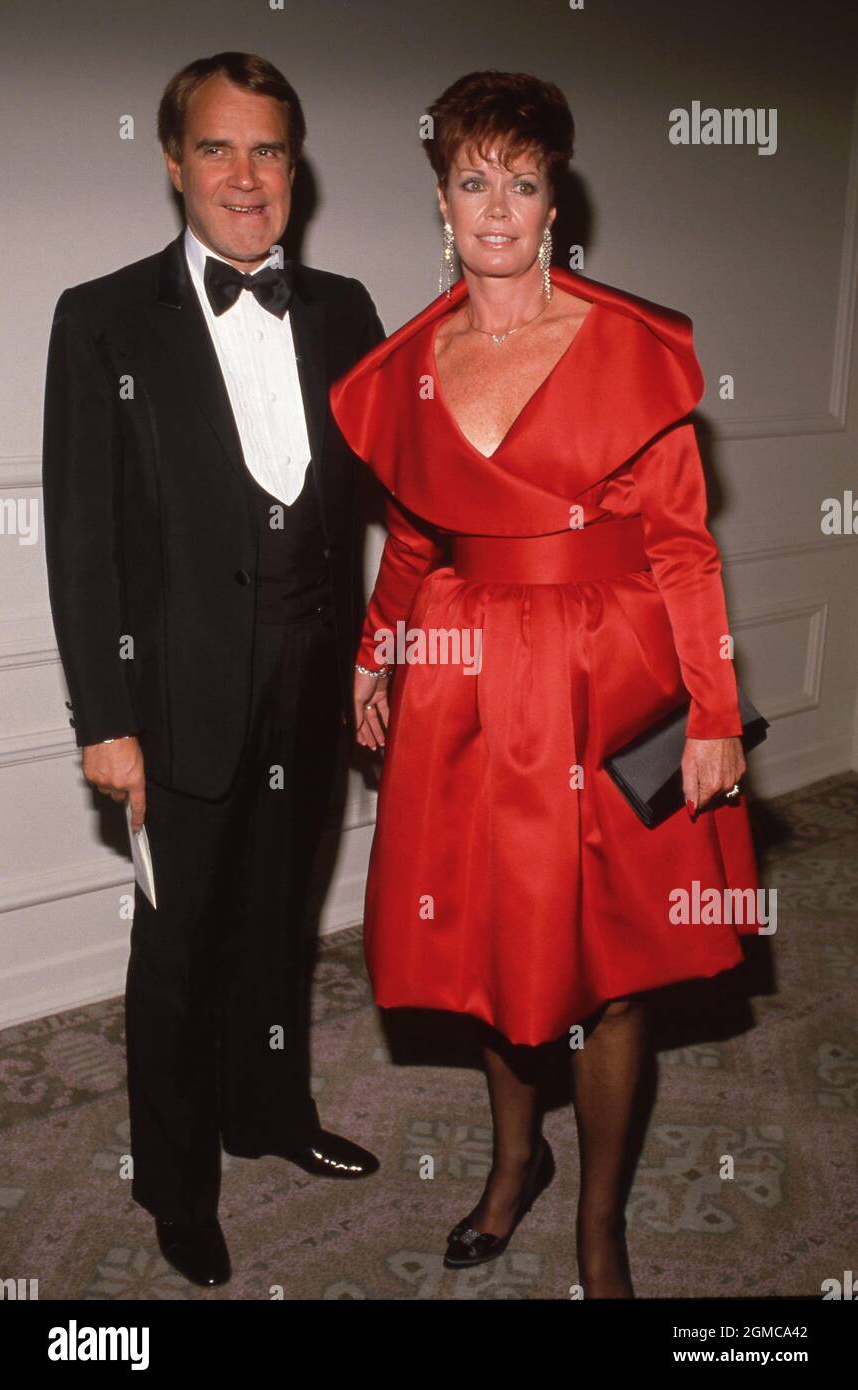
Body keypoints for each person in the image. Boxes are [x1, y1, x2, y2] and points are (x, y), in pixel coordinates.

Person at [330, 69, 760, 1298]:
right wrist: (375, 650)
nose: (495, 207)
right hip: (464, 687)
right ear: (440, 200)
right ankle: (514, 1164)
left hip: (601, 677)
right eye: (472, 181)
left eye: (520, 182)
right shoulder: (407, 369)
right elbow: (415, 541)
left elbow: (682, 549)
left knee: (611, 974)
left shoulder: (627, 347)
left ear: (554, 200)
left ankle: (600, 1229)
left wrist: (712, 714)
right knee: (488, 957)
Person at [42, 51, 383, 1288]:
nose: (246, 176)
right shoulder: (102, 316)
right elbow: (82, 538)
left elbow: (399, 493)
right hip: (175, 698)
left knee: (278, 928)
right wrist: (106, 717)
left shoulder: (343, 307)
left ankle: (269, 1113)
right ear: (174, 163)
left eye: (269, 150)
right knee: (177, 953)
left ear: (296, 165)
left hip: (311, 685)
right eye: (218, 148)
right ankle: (176, 1187)